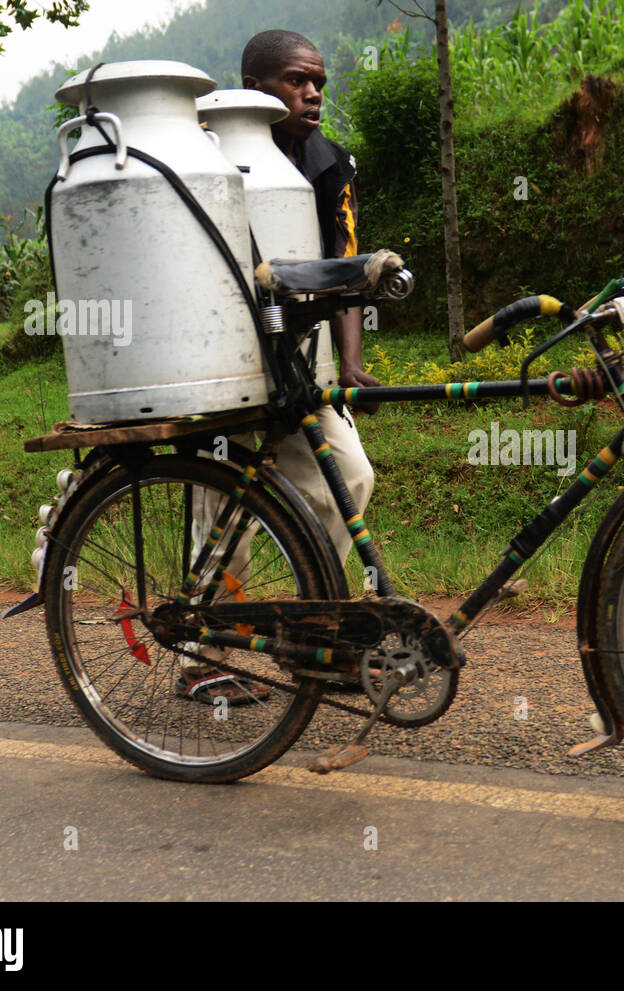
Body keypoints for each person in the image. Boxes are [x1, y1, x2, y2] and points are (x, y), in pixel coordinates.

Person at [177, 30, 380, 705]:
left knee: (349, 477)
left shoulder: (329, 164)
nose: (314, 93)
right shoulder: (205, 153)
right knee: (224, 502)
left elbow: (345, 266)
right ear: (257, 86)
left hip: (297, 367)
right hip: (219, 367)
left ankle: (307, 633)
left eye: (319, 80)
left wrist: (350, 364)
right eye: (298, 80)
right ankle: (203, 655)